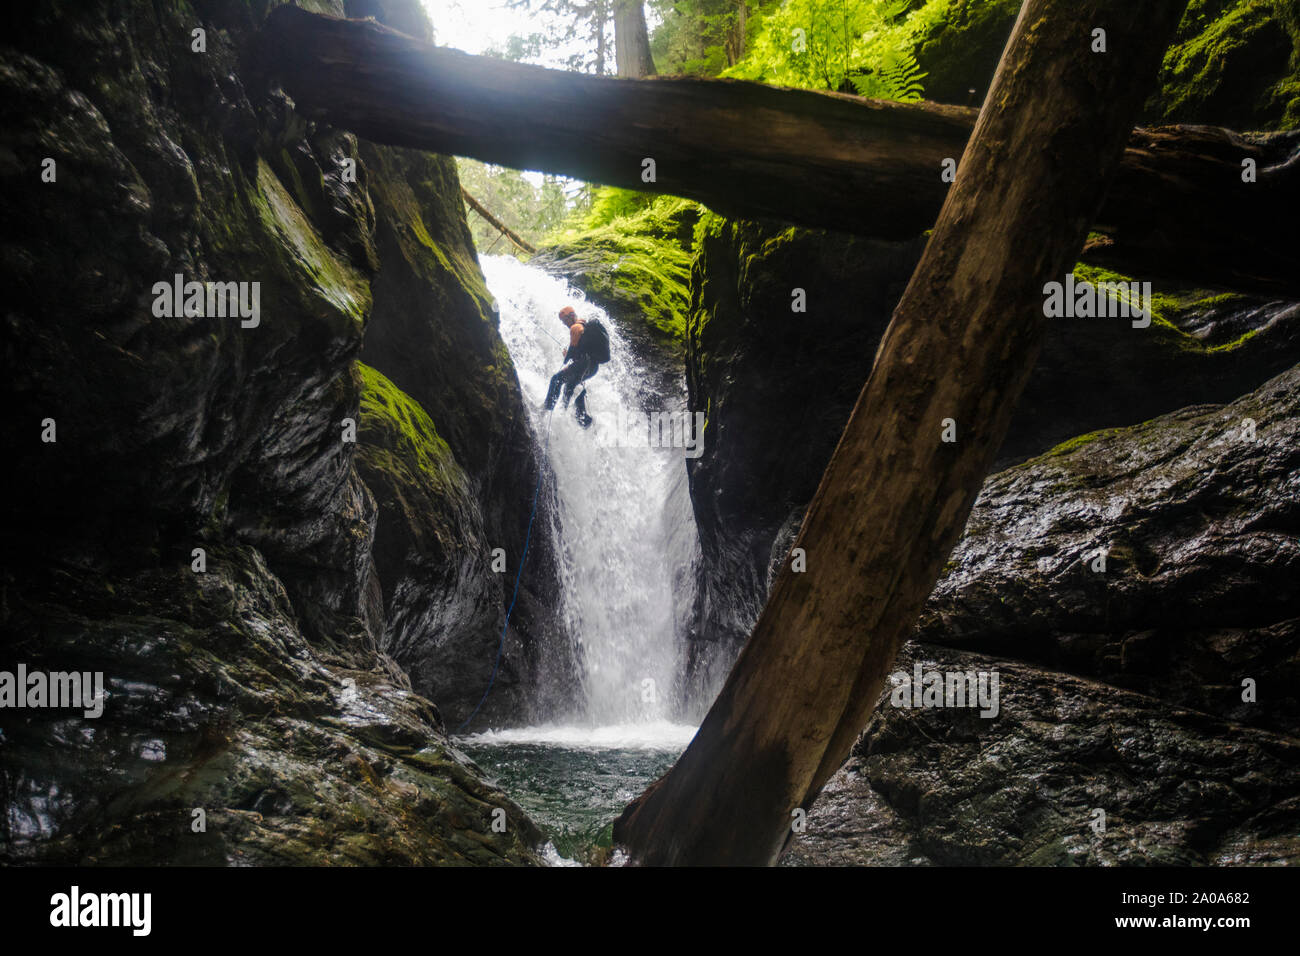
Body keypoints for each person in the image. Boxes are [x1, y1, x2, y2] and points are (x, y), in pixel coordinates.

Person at [543, 305, 610, 427]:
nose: (564, 324)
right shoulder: (584, 327)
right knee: (569, 386)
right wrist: (572, 355)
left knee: (556, 379)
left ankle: (547, 410)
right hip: (592, 368)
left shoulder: (576, 327)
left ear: (572, 316)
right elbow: (580, 351)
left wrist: (567, 356)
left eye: (564, 321)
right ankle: (578, 415)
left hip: (584, 364)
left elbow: (572, 351)